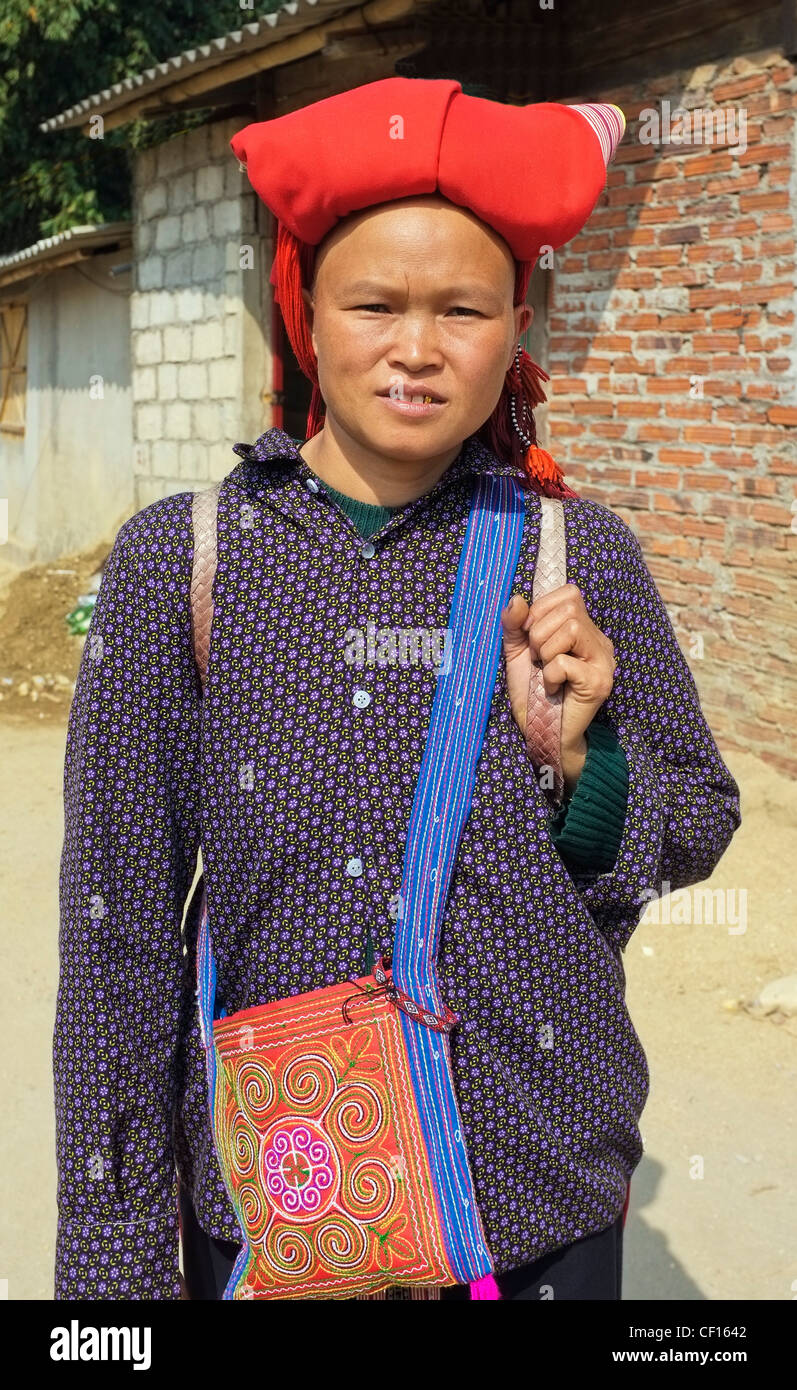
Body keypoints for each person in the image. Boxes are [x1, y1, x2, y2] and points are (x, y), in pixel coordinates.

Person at [53, 77, 741, 1301]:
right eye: (372, 303)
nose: (416, 348)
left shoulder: (575, 556)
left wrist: (580, 768)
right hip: (285, 1184)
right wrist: (114, 1270)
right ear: (305, 317)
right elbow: (115, 934)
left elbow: (694, 819)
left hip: (538, 1182)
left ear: (514, 326)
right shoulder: (187, 560)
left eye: (462, 310)